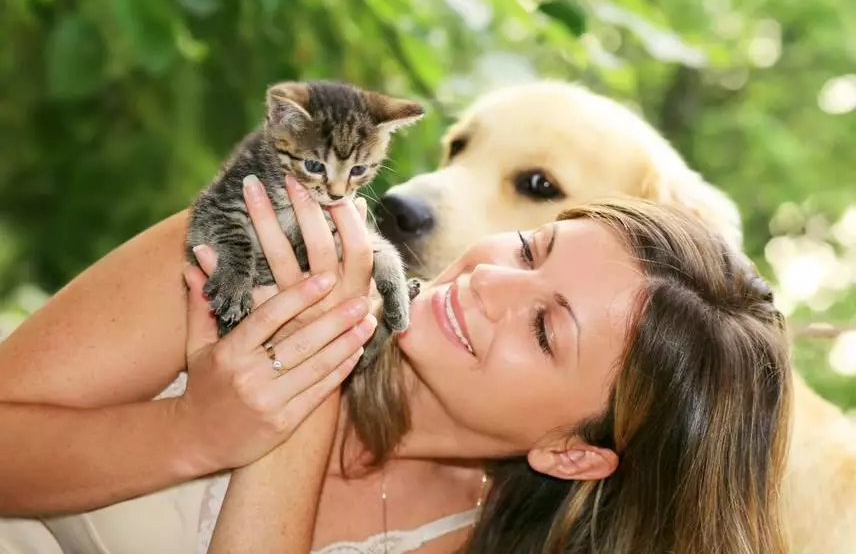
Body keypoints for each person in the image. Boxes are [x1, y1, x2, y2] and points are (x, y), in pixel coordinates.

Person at [0, 173, 792, 554]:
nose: (491, 280)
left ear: (571, 451)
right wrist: (189, 430)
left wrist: (284, 407)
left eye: (546, 328)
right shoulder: (277, 251)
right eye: (530, 247)